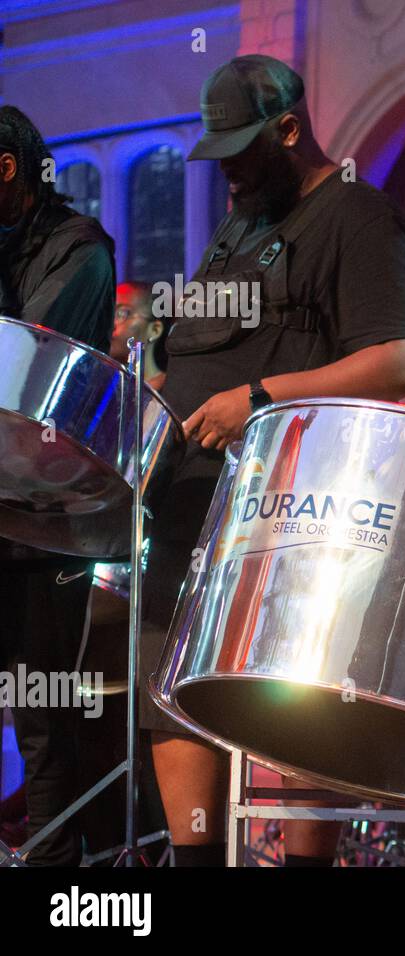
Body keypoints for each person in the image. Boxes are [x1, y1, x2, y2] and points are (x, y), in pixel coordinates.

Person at [138, 54, 405, 867]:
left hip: (292, 508)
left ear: (290, 130)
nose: (227, 174)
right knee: (169, 692)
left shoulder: (360, 219)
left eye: (239, 153)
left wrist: (260, 398)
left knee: (300, 698)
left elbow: (402, 360)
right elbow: (185, 356)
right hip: (190, 505)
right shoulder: (236, 231)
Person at [0, 104, 115, 866]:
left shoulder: (79, 251)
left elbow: (25, 378)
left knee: (42, 722)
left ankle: (56, 874)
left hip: (40, 526)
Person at [110, 280, 167, 385]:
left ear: (155, 330)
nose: (110, 324)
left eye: (122, 313)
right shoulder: (99, 389)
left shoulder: (172, 389)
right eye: (108, 313)